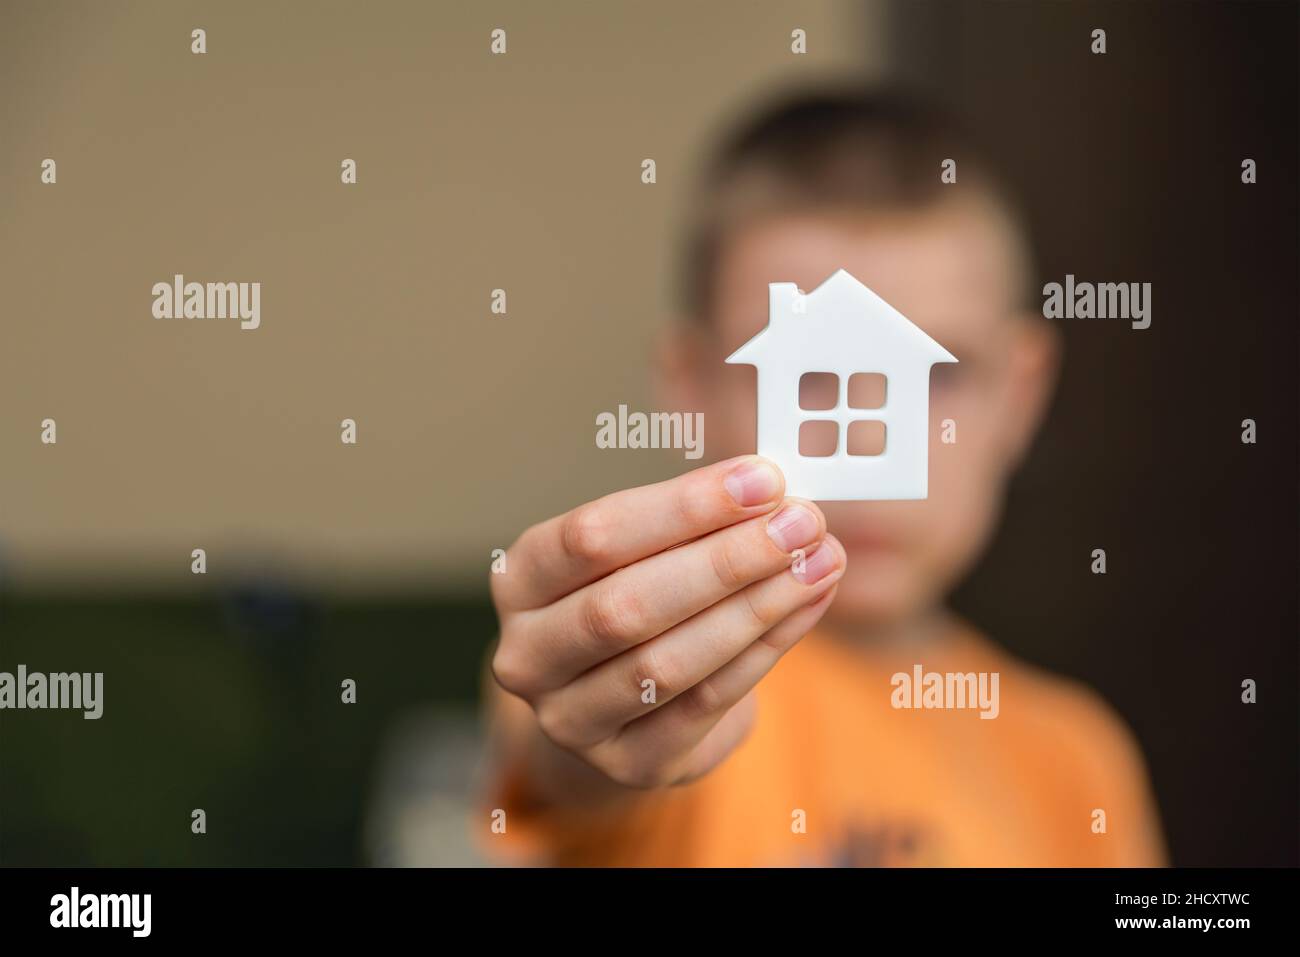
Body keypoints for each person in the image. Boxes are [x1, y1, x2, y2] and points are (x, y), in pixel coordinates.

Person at [476, 87, 1166, 866]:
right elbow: (577, 765)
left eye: (933, 378)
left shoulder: (1079, 756)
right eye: (810, 377)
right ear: (690, 388)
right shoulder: (660, 667)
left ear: (1022, 392)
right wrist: (604, 735)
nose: (873, 439)